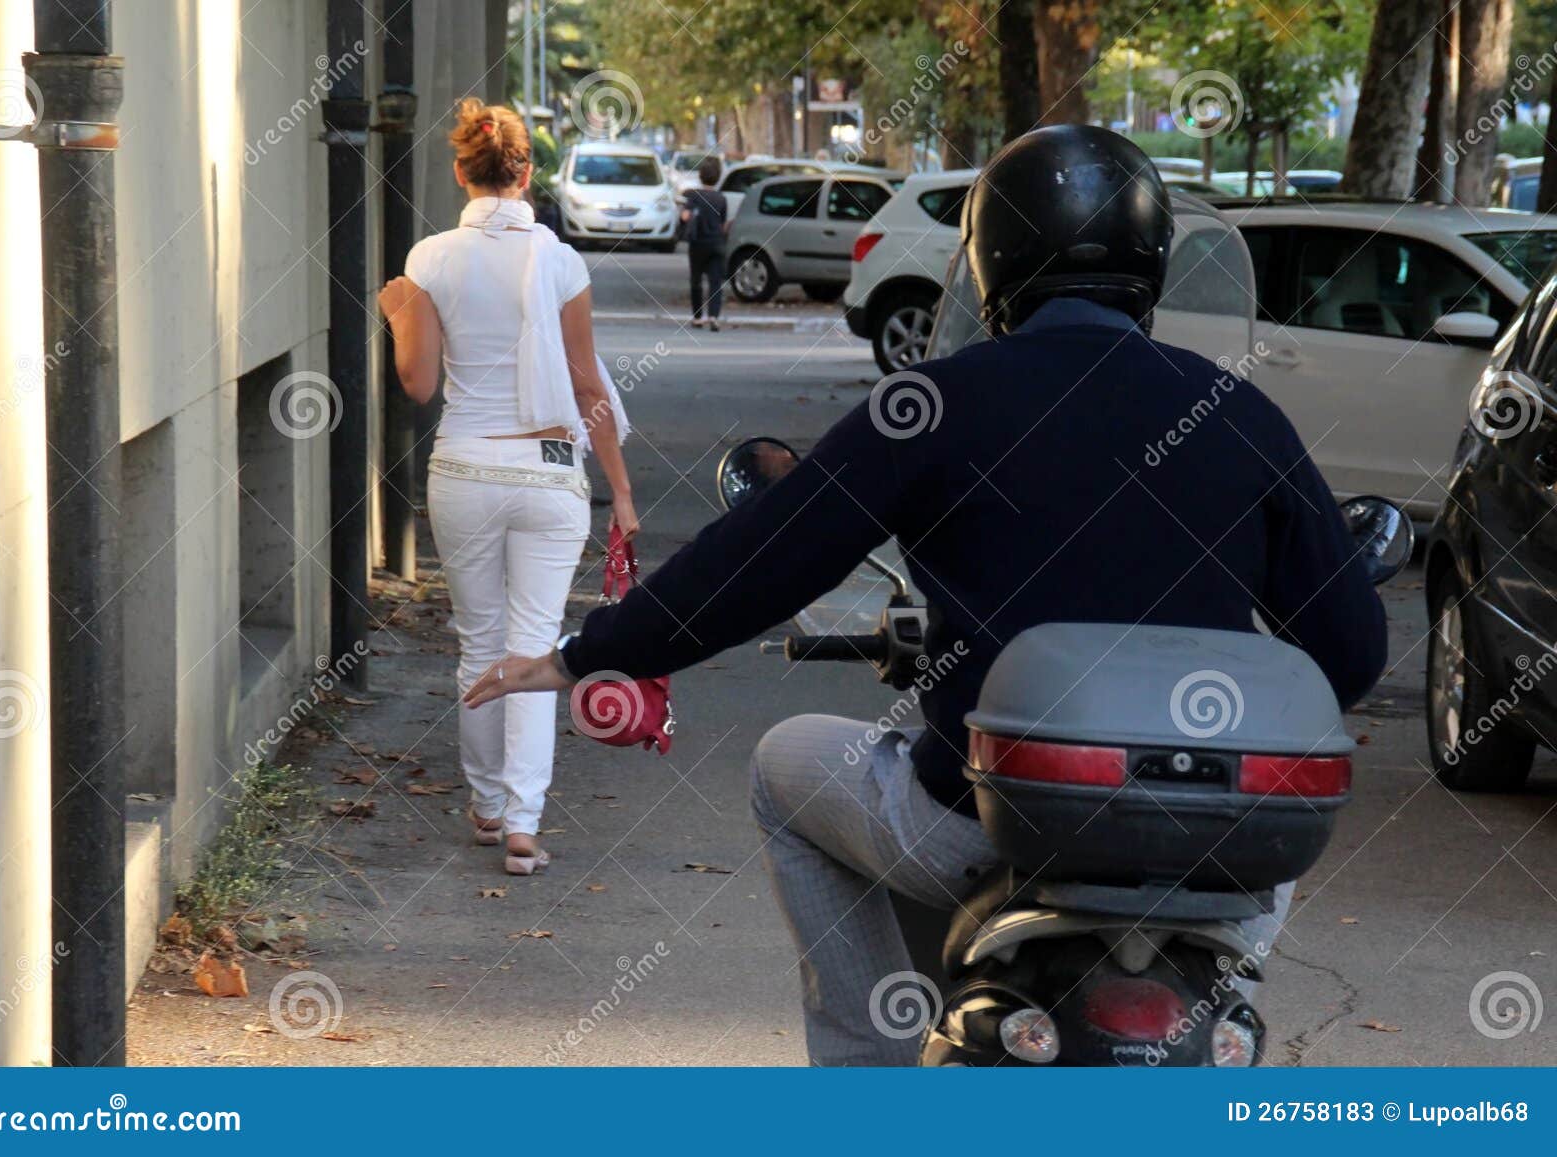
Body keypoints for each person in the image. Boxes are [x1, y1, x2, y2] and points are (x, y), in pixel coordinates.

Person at [462, 126, 1388, 1057]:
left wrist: (589, 653)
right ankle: (1216, 1024)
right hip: (1217, 850)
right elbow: (1349, 654)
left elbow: (761, 559)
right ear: (1156, 259)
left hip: (980, 830)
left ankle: (872, 1064)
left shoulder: (935, 402)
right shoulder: (1238, 412)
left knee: (785, 764)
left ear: (991, 258)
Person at [377, 98, 639, 876]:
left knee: (477, 644)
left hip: (463, 468)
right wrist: (620, 490)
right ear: (526, 174)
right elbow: (587, 382)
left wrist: (399, 314)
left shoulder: (430, 259)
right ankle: (524, 822)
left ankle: (487, 805)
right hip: (549, 474)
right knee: (536, 647)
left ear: (461, 171)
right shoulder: (559, 260)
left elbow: (418, 384)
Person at [680, 157, 728, 331]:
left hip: (698, 243)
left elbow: (685, 216)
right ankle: (714, 316)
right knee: (715, 281)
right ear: (718, 177)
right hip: (716, 242)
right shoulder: (721, 198)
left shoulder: (694, 196)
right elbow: (722, 224)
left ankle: (698, 316)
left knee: (696, 280)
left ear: (700, 176)